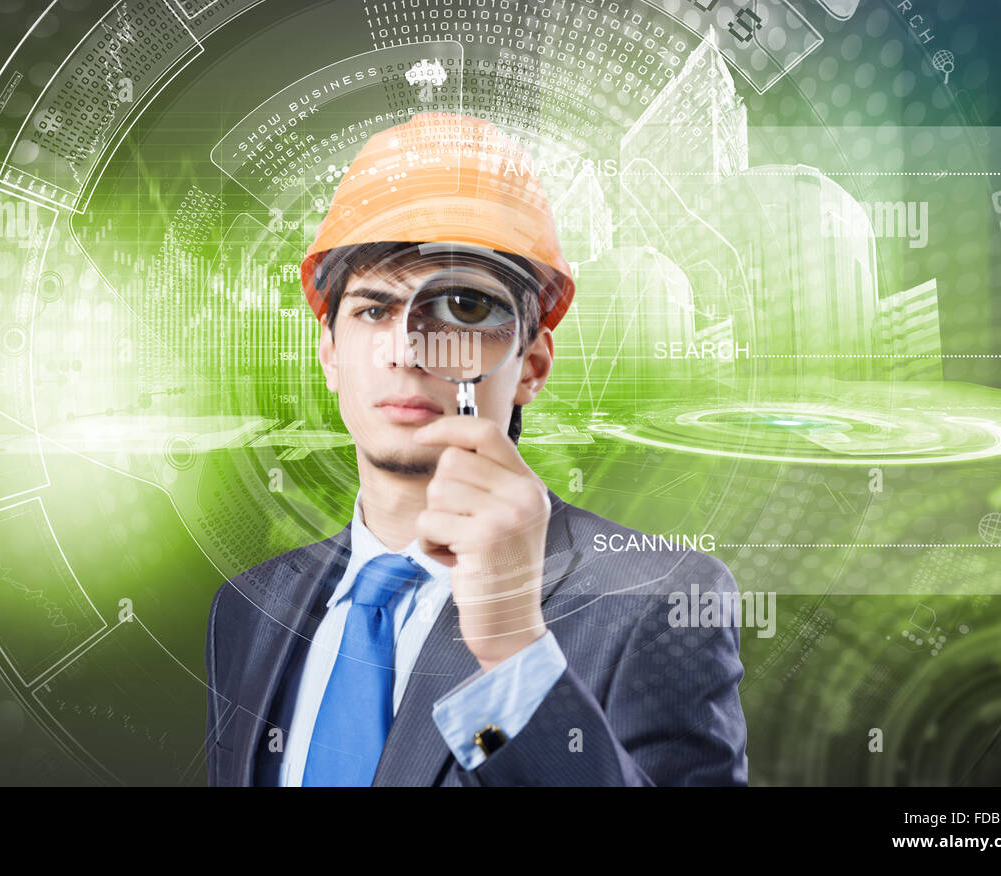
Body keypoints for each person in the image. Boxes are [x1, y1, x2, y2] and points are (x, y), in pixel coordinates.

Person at [205, 112, 748, 786]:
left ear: (532, 365)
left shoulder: (654, 599)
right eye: (374, 310)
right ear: (330, 355)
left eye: (464, 309)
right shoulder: (246, 609)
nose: (407, 350)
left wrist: (515, 653)